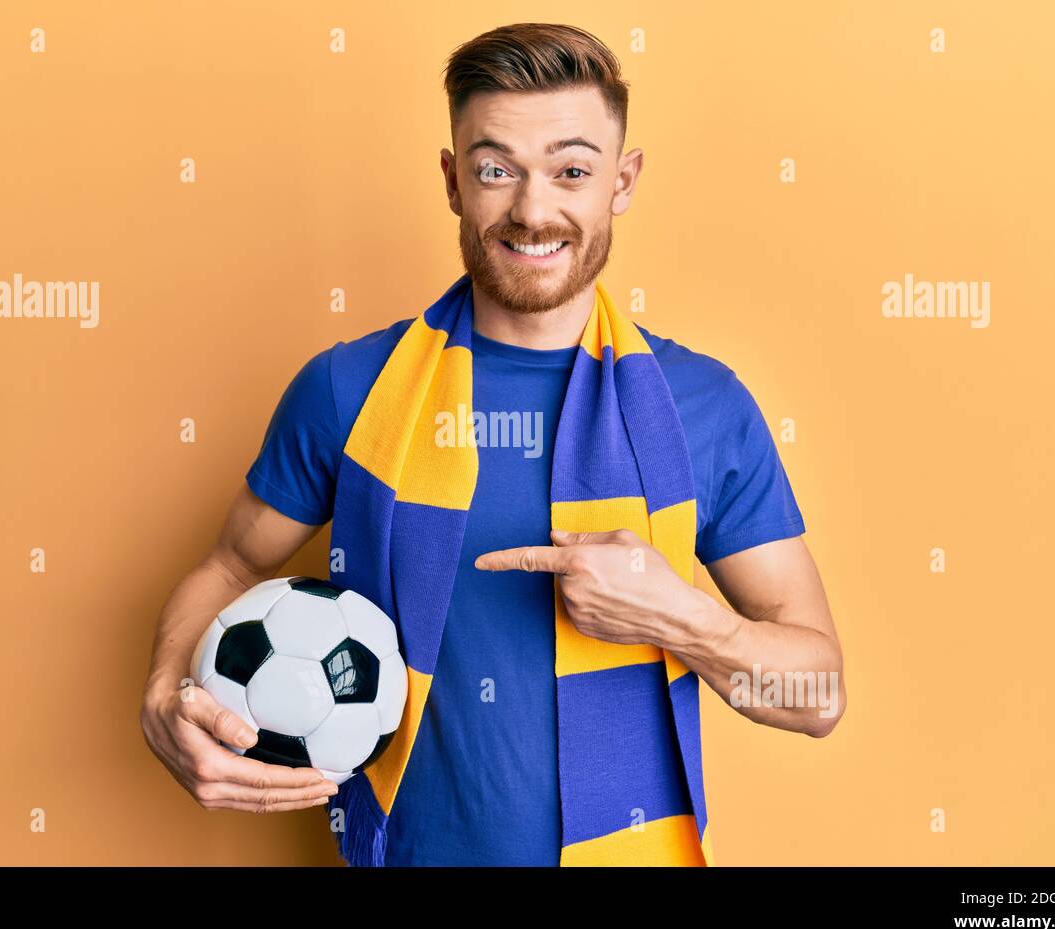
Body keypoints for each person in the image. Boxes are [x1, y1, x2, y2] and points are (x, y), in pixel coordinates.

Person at [140, 22, 844, 866]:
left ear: (622, 182)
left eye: (572, 171)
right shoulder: (346, 390)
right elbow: (227, 565)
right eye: (495, 169)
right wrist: (164, 693)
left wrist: (678, 615)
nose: (532, 209)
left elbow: (817, 696)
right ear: (452, 181)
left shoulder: (706, 407)